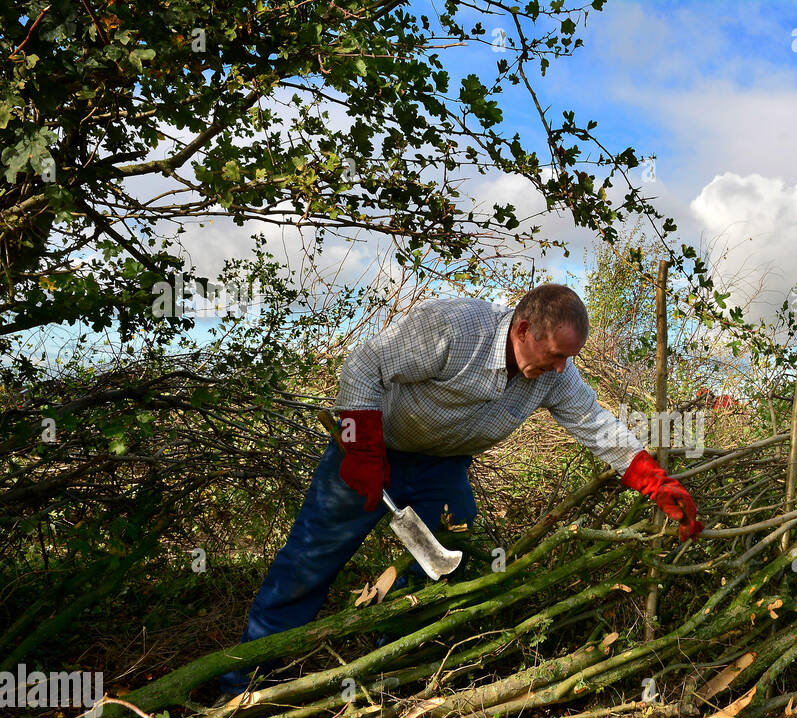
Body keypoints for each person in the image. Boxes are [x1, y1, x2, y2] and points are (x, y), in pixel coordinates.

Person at [218, 284, 703, 695]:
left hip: (442, 470)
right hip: (371, 448)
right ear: (522, 330)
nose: (561, 368)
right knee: (311, 557)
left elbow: (595, 424)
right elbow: (365, 363)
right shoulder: (454, 325)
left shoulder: (556, 375)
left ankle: (394, 672)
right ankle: (247, 680)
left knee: (441, 564)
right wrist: (362, 450)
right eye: (556, 354)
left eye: (568, 359)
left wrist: (653, 482)